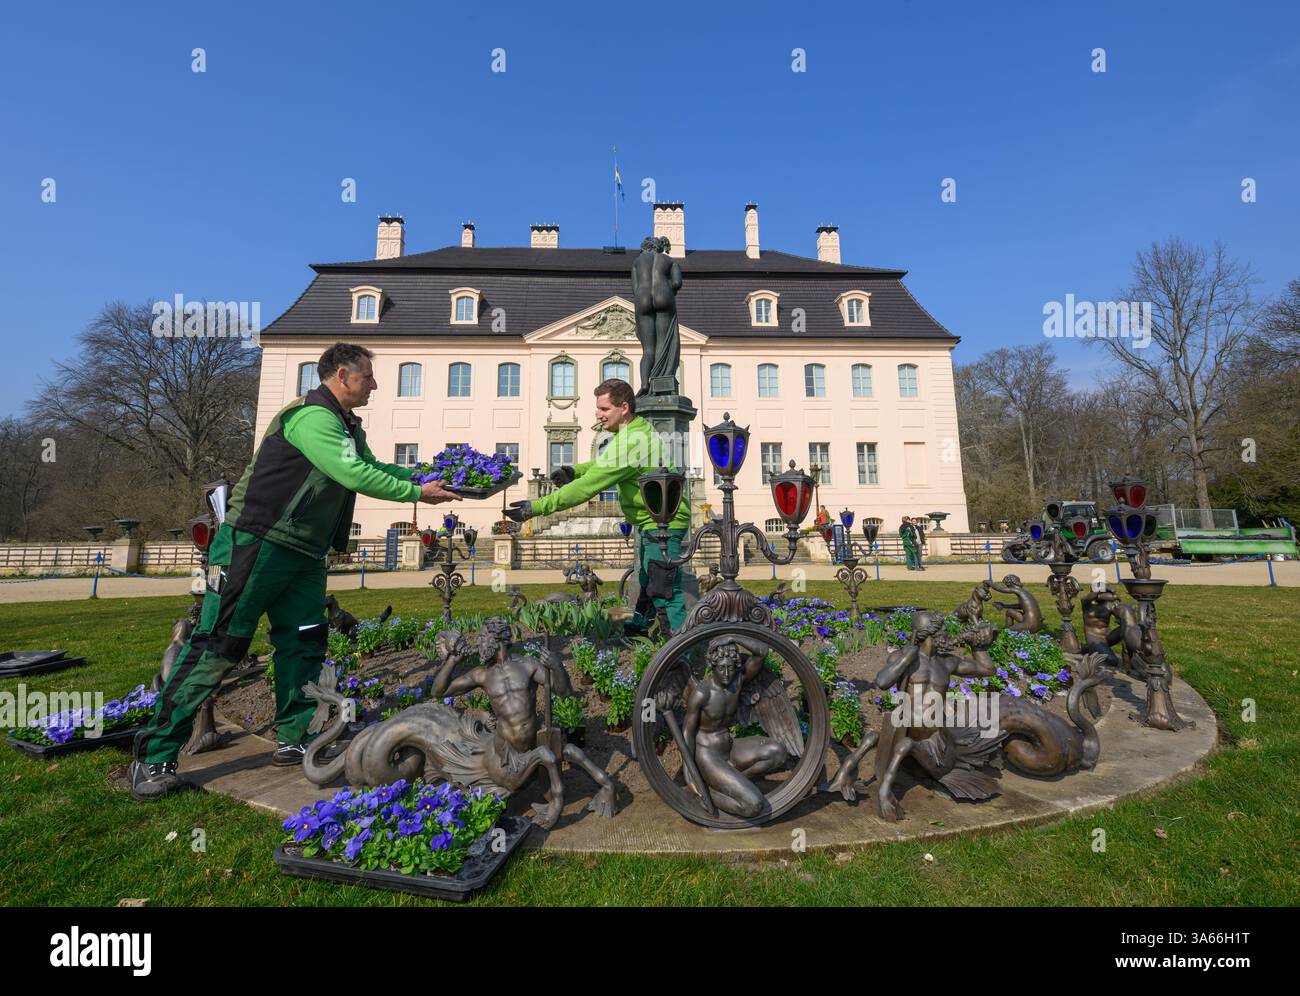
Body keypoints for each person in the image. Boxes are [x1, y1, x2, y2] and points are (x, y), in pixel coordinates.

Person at [129, 343, 461, 801]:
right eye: (368, 377)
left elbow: (370, 465)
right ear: (342, 375)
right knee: (220, 645)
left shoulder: (345, 423)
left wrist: (427, 479)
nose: (376, 385)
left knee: (304, 641)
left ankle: (295, 737)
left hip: (304, 553)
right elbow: (352, 474)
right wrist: (416, 495)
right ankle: (154, 755)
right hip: (258, 542)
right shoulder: (311, 417)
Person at [503, 379, 691, 633]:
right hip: (655, 522)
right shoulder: (635, 430)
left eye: (604, 409)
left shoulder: (631, 442)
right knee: (648, 583)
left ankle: (680, 652)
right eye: (598, 409)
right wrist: (573, 471)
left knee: (665, 592)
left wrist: (535, 508)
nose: (598, 415)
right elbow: (602, 465)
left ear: (623, 408)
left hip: (663, 524)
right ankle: (637, 634)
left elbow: (589, 487)